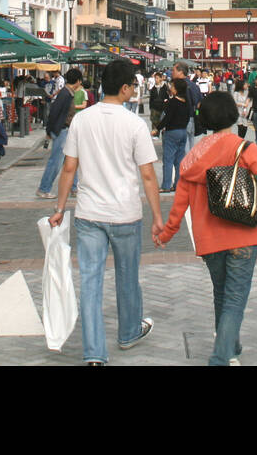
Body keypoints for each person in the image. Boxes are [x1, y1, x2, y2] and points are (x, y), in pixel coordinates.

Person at [155, 91, 257, 366]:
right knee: (235, 298)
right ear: (231, 115)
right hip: (244, 236)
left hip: (209, 240)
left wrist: (167, 234)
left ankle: (231, 344)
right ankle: (220, 357)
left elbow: (179, 206)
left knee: (223, 293)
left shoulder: (192, 158)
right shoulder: (245, 149)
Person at [48, 60, 162, 366]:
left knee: (90, 280)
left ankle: (94, 353)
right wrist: (158, 217)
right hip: (125, 213)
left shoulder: (82, 120)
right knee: (128, 276)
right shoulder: (134, 124)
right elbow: (148, 175)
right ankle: (128, 332)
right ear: (124, 88)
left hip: (89, 213)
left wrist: (59, 208)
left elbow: (69, 168)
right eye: (133, 86)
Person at [36, 68, 83, 199]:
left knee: (71, 159)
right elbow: (54, 112)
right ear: (78, 81)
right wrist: (49, 131)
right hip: (61, 130)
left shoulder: (67, 93)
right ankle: (43, 188)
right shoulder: (65, 94)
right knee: (56, 162)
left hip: (66, 130)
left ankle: (74, 188)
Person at [154, 78, 191, 193]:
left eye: (173, 87)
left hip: (172, 132)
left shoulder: (173, 102)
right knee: (179, 160)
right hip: (183, 132)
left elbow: (167, 118)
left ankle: (166, 185)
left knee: (168, 160)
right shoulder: (186, 102)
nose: (171, 88)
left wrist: (157, 129)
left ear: (176, 89)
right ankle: (178, 184)